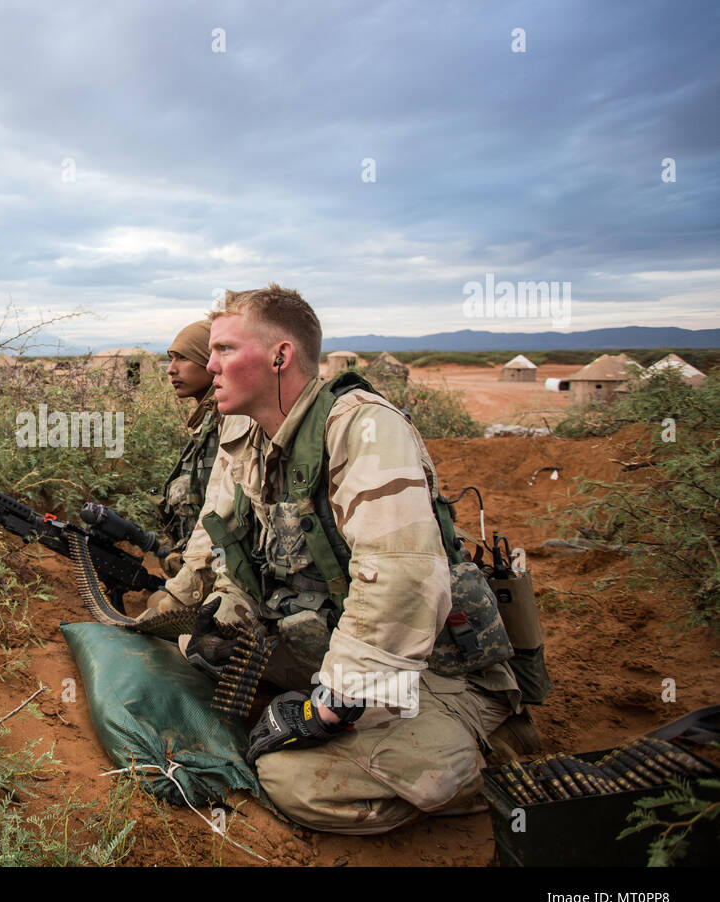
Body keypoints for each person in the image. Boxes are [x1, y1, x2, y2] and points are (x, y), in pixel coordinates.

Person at [185, 284, 526, 834]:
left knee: (291, 781)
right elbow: (247, 557)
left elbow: (402, 582)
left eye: (225, 349)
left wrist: (328, 710)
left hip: (426, 669)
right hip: (331, 639)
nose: (209, 364)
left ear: (280, 356)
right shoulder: (255, 437)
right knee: (200, 649)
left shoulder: (361, 427)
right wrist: (228, 613)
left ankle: (473, 758)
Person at [139, 315, 235, 617]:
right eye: (171, 358)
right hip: (198, 564)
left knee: (156, 608)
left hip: (219, 571)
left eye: (183, 358)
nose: (171, 369)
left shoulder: (228, 425)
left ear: (210, 363)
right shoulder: (208, 424)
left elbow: (226, 523)